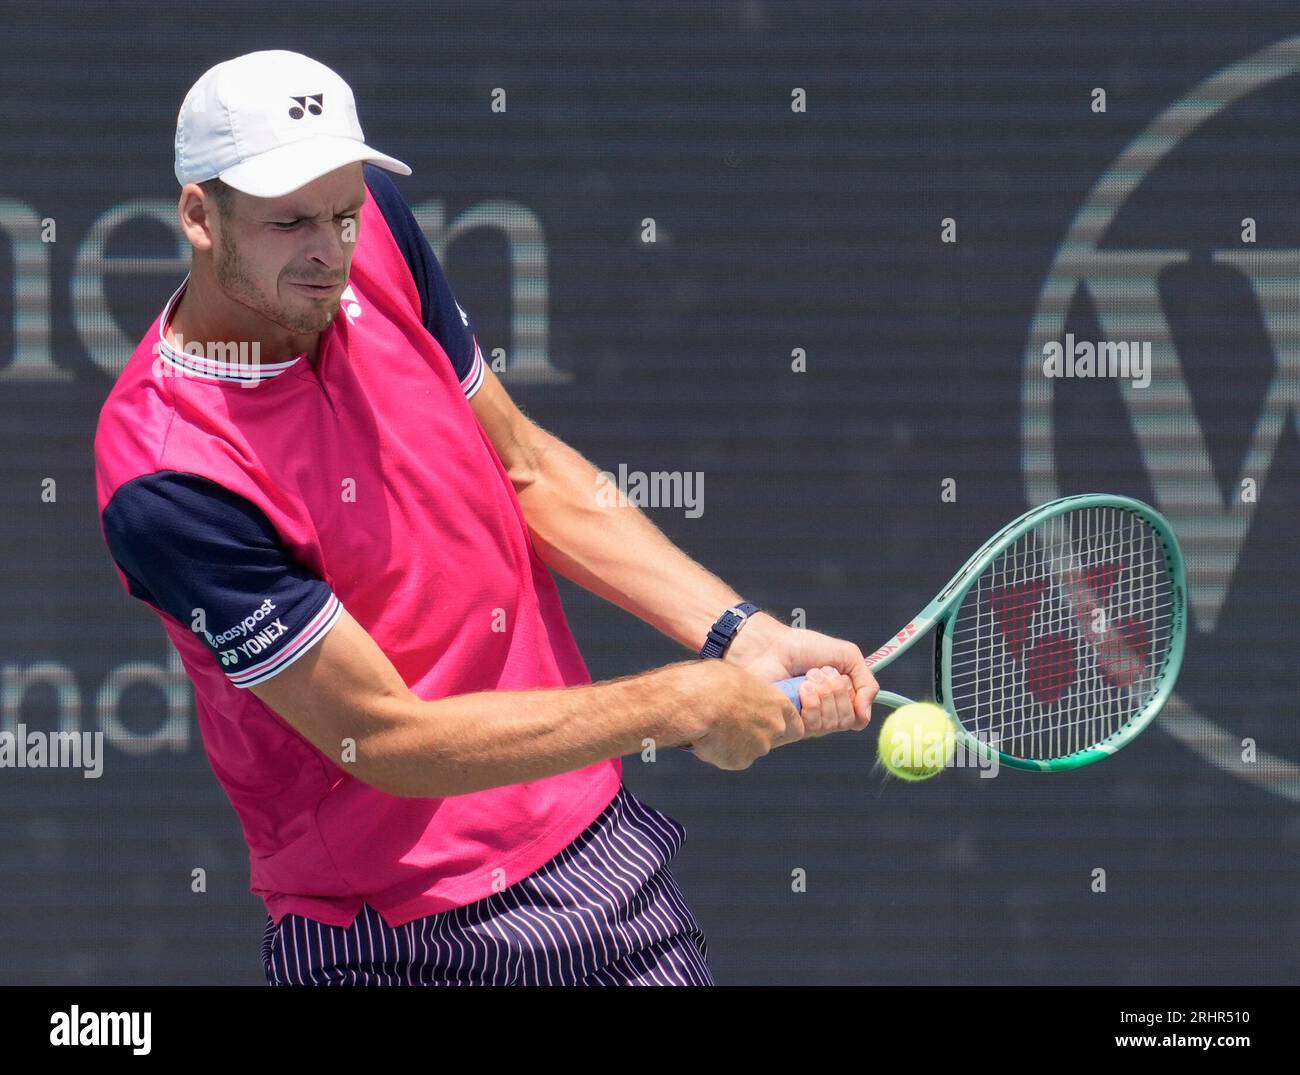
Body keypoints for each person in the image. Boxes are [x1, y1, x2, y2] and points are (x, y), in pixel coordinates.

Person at [93, 50, 877, 986]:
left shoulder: (373, 232)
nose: (329, 248)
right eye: (288, 221)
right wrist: (678, 703)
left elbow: (527, 469)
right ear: (197, 215)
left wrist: (735, 633)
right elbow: (381, 737)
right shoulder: (167, 473)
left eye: (341, 211)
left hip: (600, 860)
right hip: (386, 939)